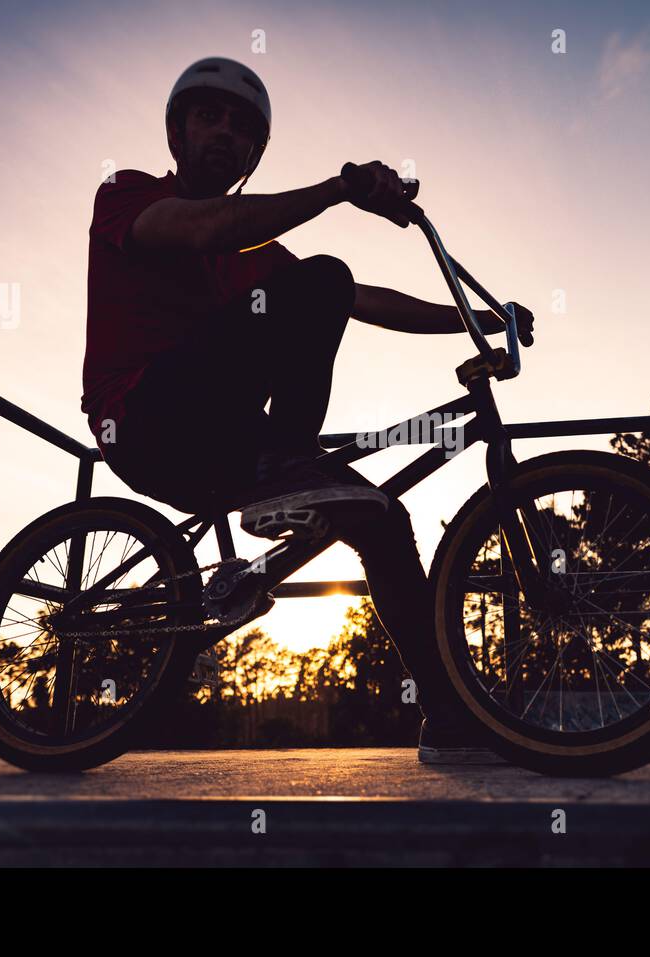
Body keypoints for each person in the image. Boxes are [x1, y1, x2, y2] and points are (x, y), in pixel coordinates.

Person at [81, 57, 535, 764]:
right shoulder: (128, 195)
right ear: (177, 134)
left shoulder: (256, 258)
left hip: (226, 438)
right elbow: (205, 230)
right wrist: (337, 190)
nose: (225, 135)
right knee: (322, 274)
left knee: (382, 519)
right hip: (144, 418)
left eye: (242, 129)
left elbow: (361, 300)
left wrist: (475, 317)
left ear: (253, 155)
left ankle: (447, 714)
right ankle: (285, 464)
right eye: (210, 118)